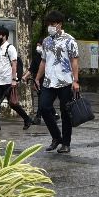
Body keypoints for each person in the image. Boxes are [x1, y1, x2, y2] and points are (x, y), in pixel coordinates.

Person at [35, 10, 80, 154]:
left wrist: (76, 80)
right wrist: (37, 78)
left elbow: (74, 60)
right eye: (48, 24)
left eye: (53, 24)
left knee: (66, 112)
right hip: (49, 81)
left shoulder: (69, 40)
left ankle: (66, 143)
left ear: (60, 24)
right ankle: (56, 137)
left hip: (65, 81)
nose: (50, 27)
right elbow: (43, 61)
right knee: (44, 107)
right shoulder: (46, 41)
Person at [0, 26, 33, 131]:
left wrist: (14, 80)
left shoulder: (10, 48)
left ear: (4, 36)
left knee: (12, 103)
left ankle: (27, 118)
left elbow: (14, 65)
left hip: (8, 81)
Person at [24, 39, 45, 125]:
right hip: (38, 79)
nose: (38, 47)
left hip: (47, 79)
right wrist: (25, 76)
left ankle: (39, 116)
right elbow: (32, 68)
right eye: (37, 45)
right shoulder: (37, 56)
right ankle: (50, 115)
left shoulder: (48, 55)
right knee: (41, 97)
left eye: (39, 45)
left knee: (43, 98)